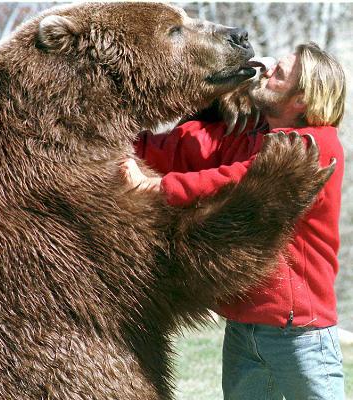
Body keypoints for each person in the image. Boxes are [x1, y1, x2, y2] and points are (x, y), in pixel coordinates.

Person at [122, 42, 346, 400]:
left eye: (281, 73)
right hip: (244, 325)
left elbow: (245, 176)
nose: (269, 68)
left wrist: (158, 186)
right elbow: (188, 146)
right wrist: (114, 143)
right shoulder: (251, 134)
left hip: (299, 331)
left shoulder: (316, 147)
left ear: (300, 100)